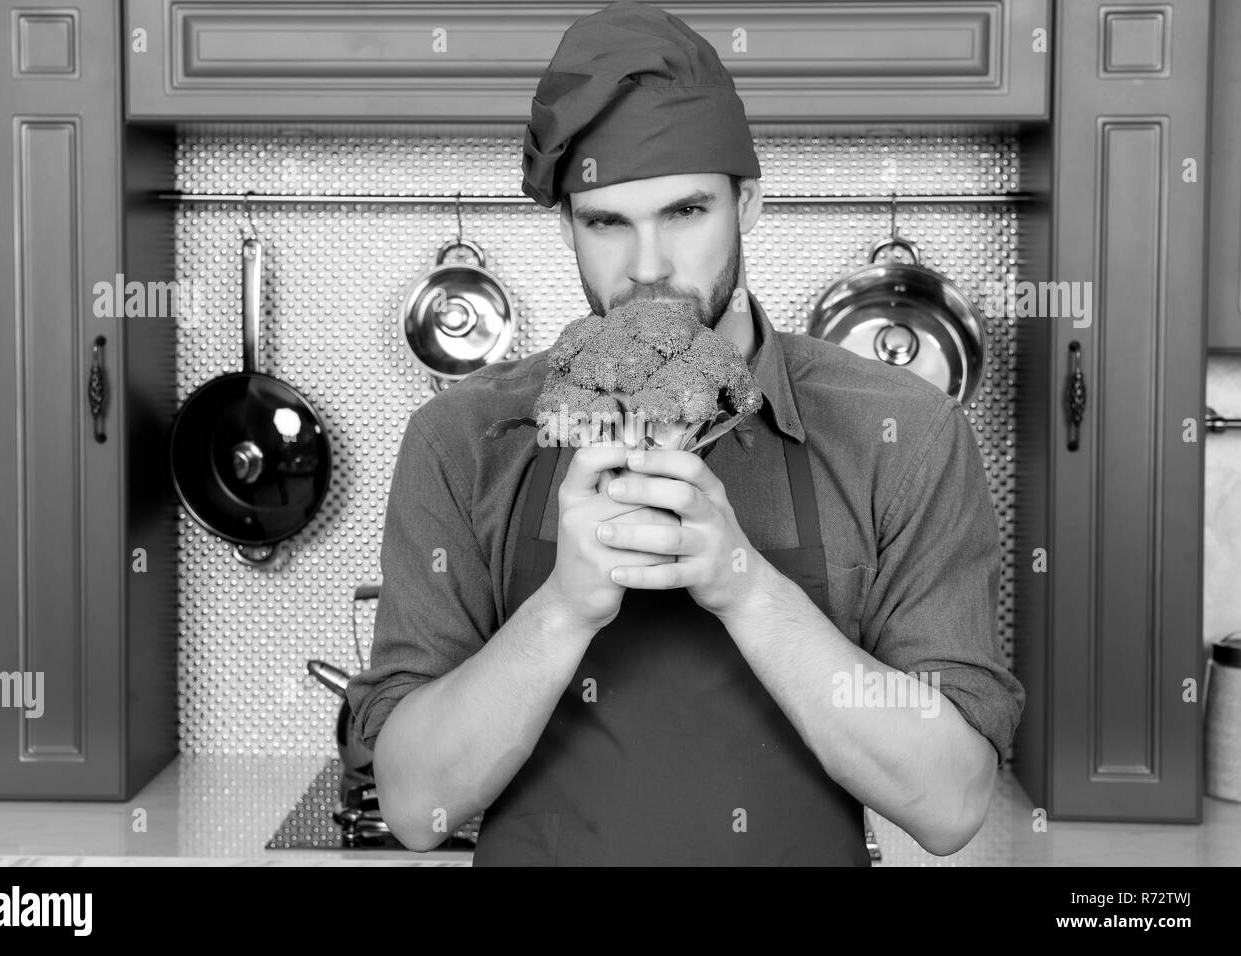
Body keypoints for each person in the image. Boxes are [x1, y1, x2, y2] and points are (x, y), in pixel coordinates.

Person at [346, 0, 1024, 865]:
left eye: (685, 212)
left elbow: (952, 804)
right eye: (606, 222)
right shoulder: (463, 438)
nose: (649, 266)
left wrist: (747, 589)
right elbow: (413, 808)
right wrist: (562, 611)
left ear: (749, 203)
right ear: (566, 226)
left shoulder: (900, 434)